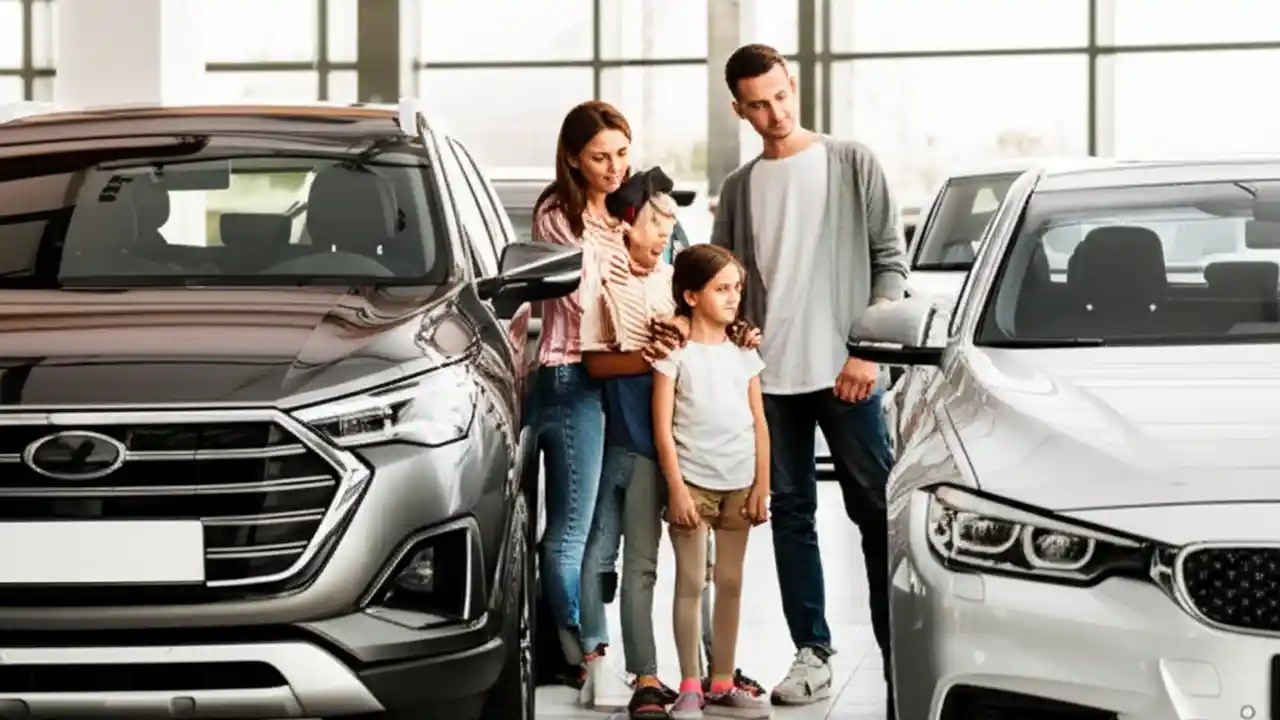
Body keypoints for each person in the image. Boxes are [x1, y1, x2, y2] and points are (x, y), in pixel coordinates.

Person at [708, 43, 907, 708]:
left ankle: (901, 648)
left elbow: (890, 262)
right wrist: (736, 340)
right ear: (739, 110)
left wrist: (868, 350)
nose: (775, 113)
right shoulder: (740, 189)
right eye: (758, 105)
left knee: (876, 511)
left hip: (849, 374)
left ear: (793, 86)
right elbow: (727, 286)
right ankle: (812, 652)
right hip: (772, 382)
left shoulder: (851, 162)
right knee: (791, 515)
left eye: (781, 96)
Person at [577, 168, 764, 719]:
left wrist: (732, 331)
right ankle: (649, 675)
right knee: (642, 563)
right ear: (625, 225)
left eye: (670, 224)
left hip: (698, 451)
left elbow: (709, 326)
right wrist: (654, 352)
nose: (665, 233)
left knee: (706, 570)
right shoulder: (604, 280)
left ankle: (712, 672)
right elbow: (597, 363)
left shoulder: (672, 280)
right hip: (641, 441)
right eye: (655, 222)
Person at [529, 99, 633, 673]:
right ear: (573, 159)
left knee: (601, 529)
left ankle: (590, 644)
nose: (614, 168)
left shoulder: (624, 210)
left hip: (618, 378)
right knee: (570, 529)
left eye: (621, 153)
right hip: (569, 376)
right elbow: (581, 298)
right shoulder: (557, 213)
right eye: (600, 157)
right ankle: (571, 649)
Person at [652, 244, 773, 719]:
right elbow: (663, 429)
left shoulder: (744, 354)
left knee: (731, 582)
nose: (733, 297)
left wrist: (762, 485)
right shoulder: (674, 355)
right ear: (691, 296)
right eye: (721, 289)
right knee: (690, 583)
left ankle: (722, 682)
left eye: (736, 288)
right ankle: (689, 686)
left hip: (739, 484)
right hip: (693, 485)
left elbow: (759, 422)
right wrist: (676, 489)